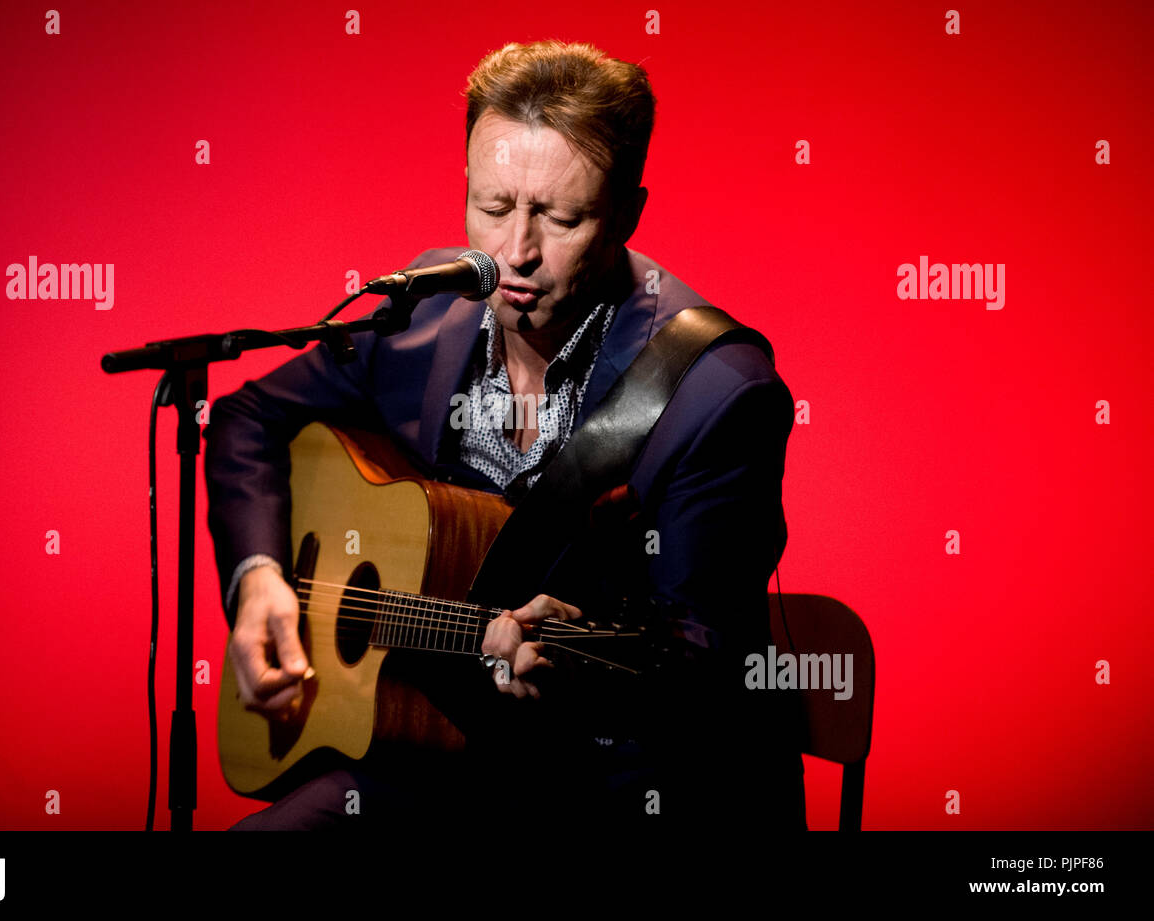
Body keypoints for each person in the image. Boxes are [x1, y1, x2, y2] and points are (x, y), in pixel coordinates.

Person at [204, 39, 805, 829]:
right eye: (492, 207)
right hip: (434, 760)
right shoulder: (422, 314)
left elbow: (700, 662)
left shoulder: (716, 394)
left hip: (617, 791)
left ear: (627, 211)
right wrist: (259, 580)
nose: (515, 253)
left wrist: (573, 664)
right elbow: (248, 418)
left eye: (560, 217)